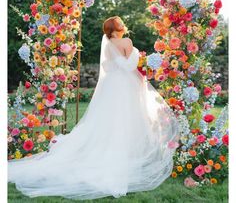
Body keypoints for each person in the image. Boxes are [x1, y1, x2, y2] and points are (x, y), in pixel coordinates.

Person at [8, 15, 180, 200]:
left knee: (109, 122)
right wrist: (142, 61)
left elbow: (110, 66)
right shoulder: (126, 41)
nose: (123, 25)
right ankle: (126, 158)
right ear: (117, 27)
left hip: (111, 86)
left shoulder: (107, 45)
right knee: (126, 121)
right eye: (121, 23)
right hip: (125, 86)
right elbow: (130, 66)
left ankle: (111, 155)